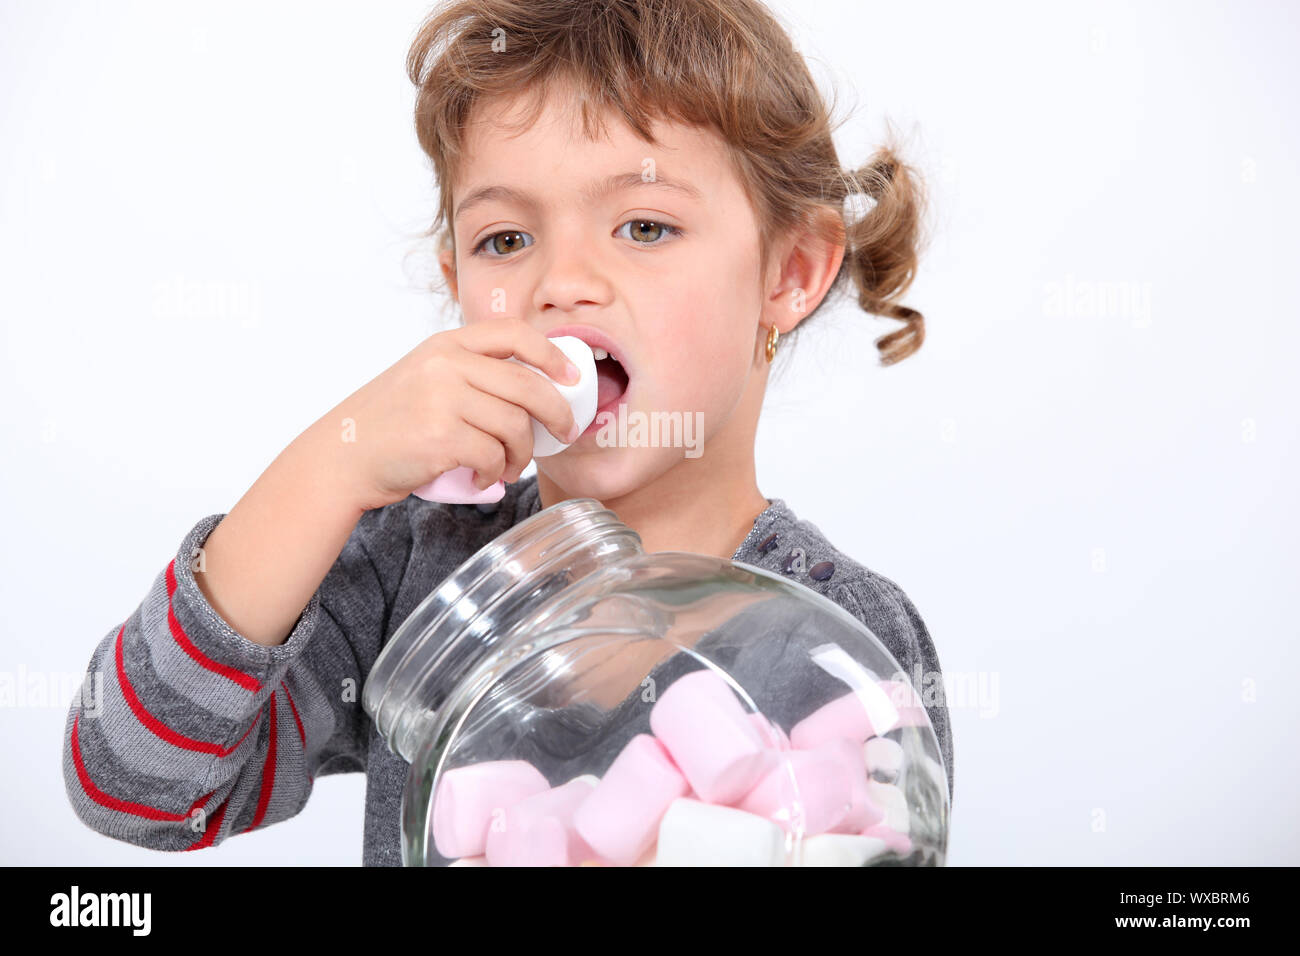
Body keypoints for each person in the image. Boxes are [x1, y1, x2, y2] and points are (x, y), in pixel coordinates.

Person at [61, 0, 952, 865]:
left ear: (789, 272)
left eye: (645, 226)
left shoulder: (836, 638)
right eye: (506, 239)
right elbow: (134, 789)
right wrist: (332, 466)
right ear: (455, 279)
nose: (562, 282)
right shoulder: (413, 575)